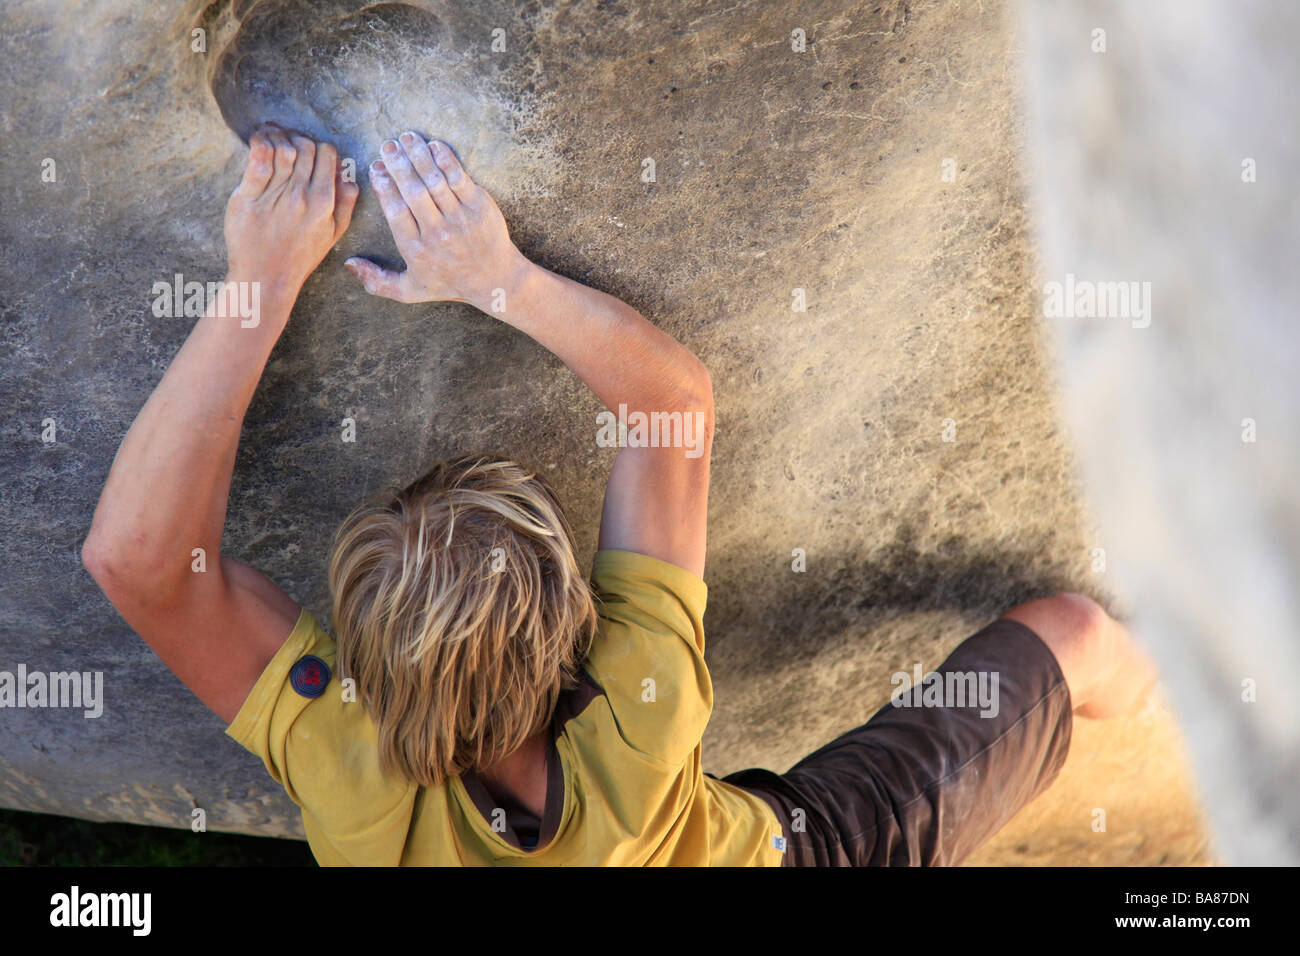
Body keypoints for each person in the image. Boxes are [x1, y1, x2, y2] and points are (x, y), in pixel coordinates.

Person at [83, 124, 1156, 865]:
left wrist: (257, 279)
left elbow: (137, 560)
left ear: (361, 663)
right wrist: (496, 276)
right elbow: (673, 408)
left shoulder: (355, 777)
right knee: (1071, 634)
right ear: (573, 635)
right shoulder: (636, 722)